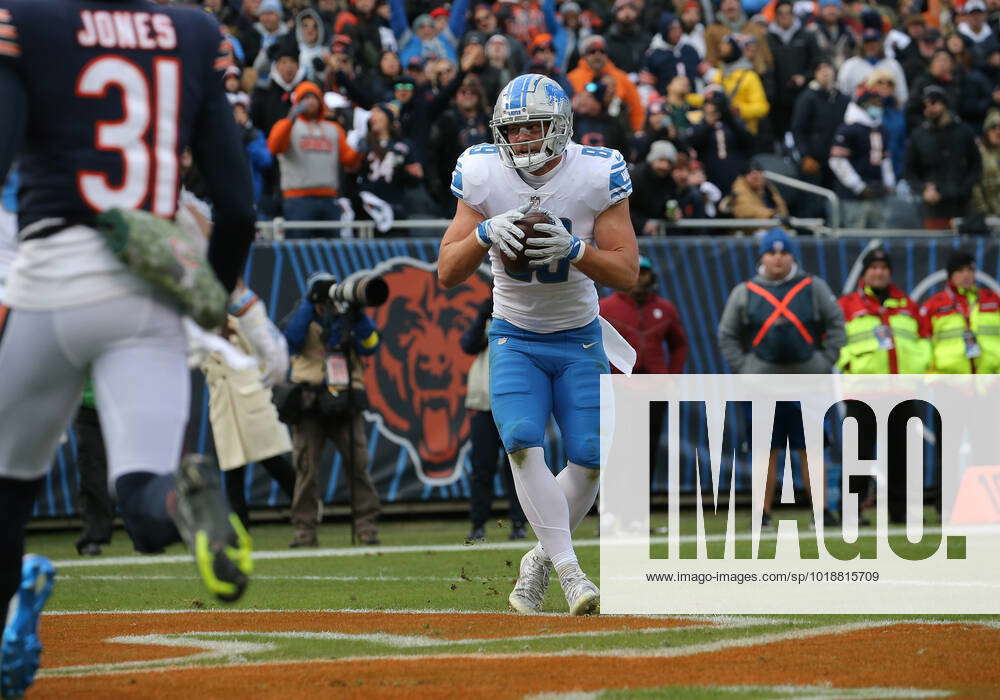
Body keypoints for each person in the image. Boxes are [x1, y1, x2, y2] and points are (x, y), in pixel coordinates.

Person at [0, 1, 258, 695]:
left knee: (7, 489)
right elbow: (237, 207)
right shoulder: (195, 31)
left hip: (52, 280)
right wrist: (210, 302)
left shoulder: (24, 20)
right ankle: (183, 502)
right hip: (151, 291)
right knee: (144, 501)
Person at [437, 74, 639, 615]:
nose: (524, 140)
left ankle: (538, 563)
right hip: (515, 335)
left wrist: (576, 250)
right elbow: (446, 270)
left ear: (561, 127)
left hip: (578, 336)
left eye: (535, 128)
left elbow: (626, 273)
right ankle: (571, 574)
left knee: (591, 459)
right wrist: (480, 235)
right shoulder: (481, 170)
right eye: (515, 129)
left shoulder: (596, 171)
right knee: (523, 440)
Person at [717, 228, 845, 528]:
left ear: (792, 256)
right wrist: (746, 367)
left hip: (807, 381)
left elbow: (836, 323)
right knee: (765, 448)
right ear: (762, 256)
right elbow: (728, 334)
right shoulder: (745, 292)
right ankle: (762, 513)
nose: (778, 258)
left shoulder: (812, 287)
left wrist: (823, 362)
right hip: (762, 383)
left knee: (812, 447)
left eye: (783, 252)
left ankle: (821, 511)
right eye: (772, 252)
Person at [282, 273, 383, 547]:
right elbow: (289, 341)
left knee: (358, 465)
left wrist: (358, 315)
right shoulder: (302, 316)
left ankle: (366, 526)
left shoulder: (348, 317)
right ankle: (304, 530)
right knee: (306, 468)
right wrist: (309, 302)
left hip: (346, 397)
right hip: (309, 401)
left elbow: (372, 345)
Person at [836, 248, 930, 523]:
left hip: (900, 391)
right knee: (858, 456)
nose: (878, 272)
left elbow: (923, 338)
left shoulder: (907, 304)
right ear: (864, 273)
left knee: (901, 456)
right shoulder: (847, 304)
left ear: (889, 272)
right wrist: (850, 362)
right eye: (873, 268)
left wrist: (917, 366)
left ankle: (900, 512)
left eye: (883, 268)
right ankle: (851, 513)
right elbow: (834, 340)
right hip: (862, 391)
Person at [599, 256, 688, 483]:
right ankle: (615, 506)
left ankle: (639, 506)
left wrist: (671, 377)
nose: (639, 277)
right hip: (619, 388)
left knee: (648, 445)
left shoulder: (664, 308)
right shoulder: (606, 307)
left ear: (651, 276)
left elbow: (679, 344)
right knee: (617, 445)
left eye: (644, 272)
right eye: (635, 271)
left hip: (654, 388)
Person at [460, 294, 527, 542]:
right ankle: (478, 525)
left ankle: (519, 523)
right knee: (482, 468)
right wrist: (481, 317)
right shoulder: (487, 321)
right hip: (484, 404)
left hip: (514, 404)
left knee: (518, 468)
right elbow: (467, 345)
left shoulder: (521, 318)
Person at [267, 81, 362, 237]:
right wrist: (290, 119)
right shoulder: (286, 126)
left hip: (329, 197)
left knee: (330, 252)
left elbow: (348, 160)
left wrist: (359, 150)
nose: (310, 101)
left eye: (314, 97)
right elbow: (274, 147)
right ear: (297, 101)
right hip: (297, 199)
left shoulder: (333, 129)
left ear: (320, 101)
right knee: (298, 249)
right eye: (305, 97)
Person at [904, 85, 982, 230]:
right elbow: (910, 171)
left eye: (933, 103)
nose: (929, 109)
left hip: (961, 204)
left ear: (944, 104)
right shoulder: (918, 135)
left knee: (963, 249)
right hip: (933, 206)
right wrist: (923, 189)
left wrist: (964, 189)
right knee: (936, 248)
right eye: (925, 105)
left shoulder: (963, 132)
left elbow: (976, 165)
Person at [921, 249, 1000, 374]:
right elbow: (924, 345)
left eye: (970, 270)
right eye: (960, 270)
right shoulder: (934, 305)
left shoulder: (993, 299)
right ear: (950, 275)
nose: (966, 275)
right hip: (949, 382)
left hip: (990, 380)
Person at [829, 88, 896, 229]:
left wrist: (889, 182)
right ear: (862, 104)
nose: (876, 106)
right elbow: (837, 161)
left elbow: (885, 160)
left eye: (878, 103)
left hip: (878, 192)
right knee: (855, 239)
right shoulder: (848, 129)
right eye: (872, 103)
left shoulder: (881, 129)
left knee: (879, 239)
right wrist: (857, 186)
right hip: (853, 197)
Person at [790, 61, 848, 188]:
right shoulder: (807, 98)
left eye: (828, 67)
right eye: (819, 69)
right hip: (815, 160)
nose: (825, 72)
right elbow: (798, 129)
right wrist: (805, 156)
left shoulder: (843, 98)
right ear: (815, 74)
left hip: (839, 160)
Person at [973, 109, 1000, 215]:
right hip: (987, 215)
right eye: (994, 128)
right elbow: (975, 187)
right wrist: (984, 212)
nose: (998, 131)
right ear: (986, 131)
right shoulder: (978, 154)